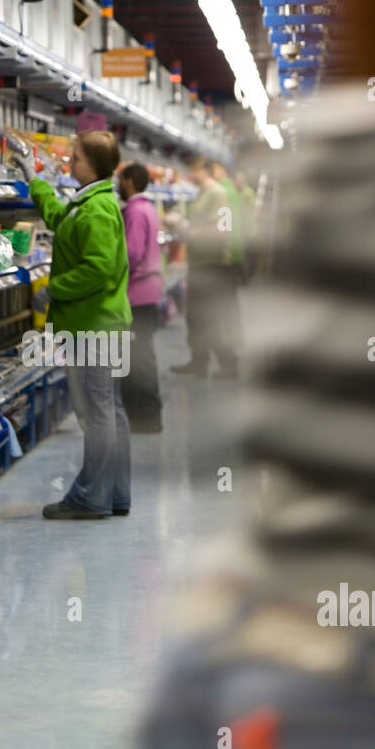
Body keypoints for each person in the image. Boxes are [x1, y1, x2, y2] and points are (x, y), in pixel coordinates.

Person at [14, 130, 133, 519]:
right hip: (103, 324)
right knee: (109, 412)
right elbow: (59, 217)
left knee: (96, 415)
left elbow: (97, 270)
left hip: (93, 327)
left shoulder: (98, 209)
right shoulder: (89, 202)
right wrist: (35, 182)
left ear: (95, 165)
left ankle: (90, 498)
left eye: (76, 158)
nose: (70, 164)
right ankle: (114, 493)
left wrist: (53, 290)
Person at [170, 155, 241, 379]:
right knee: (195, 317)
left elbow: (223, 228)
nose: (192, 173)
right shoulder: (202, 194)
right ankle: (199, 362)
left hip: (214, 266)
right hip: (200, 263)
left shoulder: (218, 194)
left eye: (195, 169)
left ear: (207, 170)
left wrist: (188, 230)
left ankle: (229, 365)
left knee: (210, 319)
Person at [118, 163, 164, 432]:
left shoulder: (135, 211)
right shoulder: (148, 207)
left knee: (137, 355)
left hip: (137, 291)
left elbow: (131, 254)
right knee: (141, 351)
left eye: (120, 180)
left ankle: (145, 417)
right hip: (148, 289)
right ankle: (146, 414)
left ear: (130, 181)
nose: (118, 185)